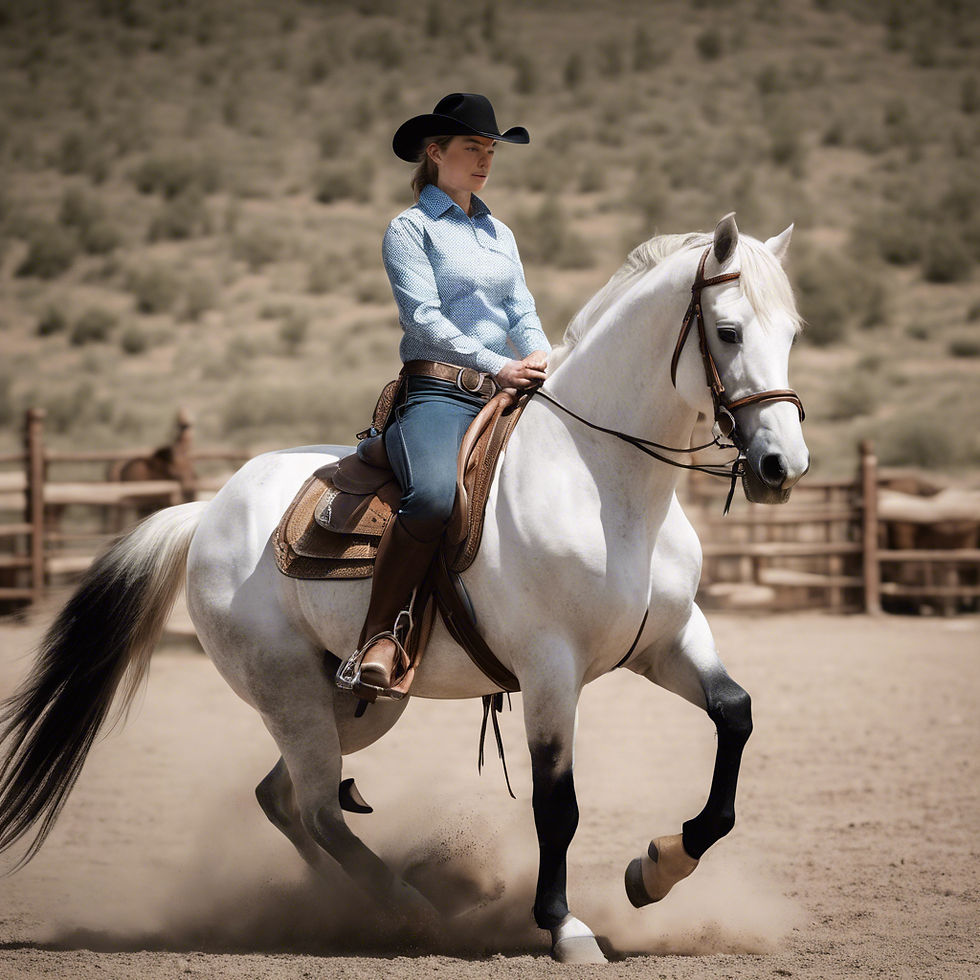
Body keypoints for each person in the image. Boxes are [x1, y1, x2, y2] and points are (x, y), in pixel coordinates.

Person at [344, 92, 550, 698]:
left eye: (490, 150)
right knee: (434, 498)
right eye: (471, 149)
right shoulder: (410, 228)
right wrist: (500, 364)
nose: (485, 160)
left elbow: (522, 308)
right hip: (438, 391)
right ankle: (377, 637)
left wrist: (539, 353)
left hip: (508, 384)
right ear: (434, 153)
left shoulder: (498, 232)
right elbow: (424, 319)